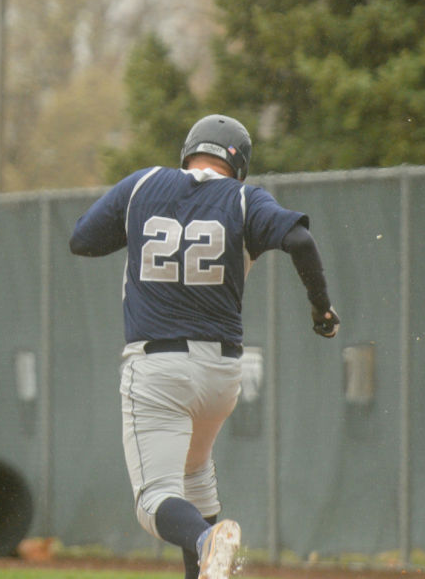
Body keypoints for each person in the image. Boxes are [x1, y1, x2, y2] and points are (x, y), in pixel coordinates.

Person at [68, 114, 340, 579]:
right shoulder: (243, 198)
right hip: (221, 373)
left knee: (155, 501)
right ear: (240, 165)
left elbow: (83, 241)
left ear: (188, 150)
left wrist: (143, 226)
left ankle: (206, 538)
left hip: (157, 367)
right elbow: (299, 238)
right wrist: (321, 310)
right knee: (196, 484)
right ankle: (208, 554)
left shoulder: (145, 183)